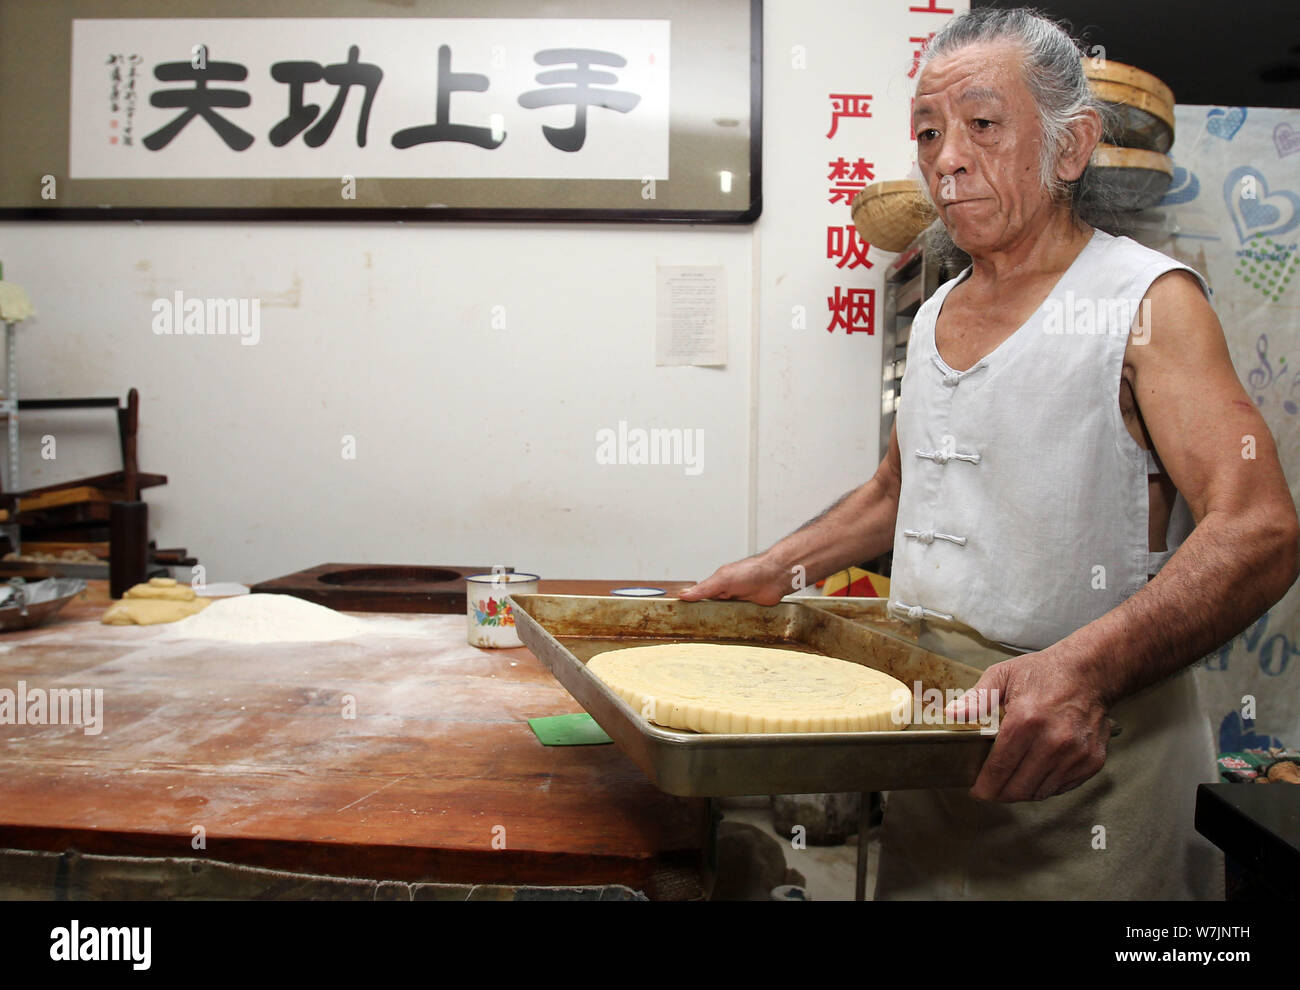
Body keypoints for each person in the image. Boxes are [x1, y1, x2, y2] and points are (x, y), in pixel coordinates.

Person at [680, 8, 1299, 899]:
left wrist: (1082, 670)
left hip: (1093, 774)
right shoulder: (937, 312)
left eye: (981, 124)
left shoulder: (1144, 302)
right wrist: (776, 567)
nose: (946, 158)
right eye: (928, 132)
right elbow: (898, 490)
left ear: (1071, 146)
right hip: (943, 763)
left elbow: (1261, 529)